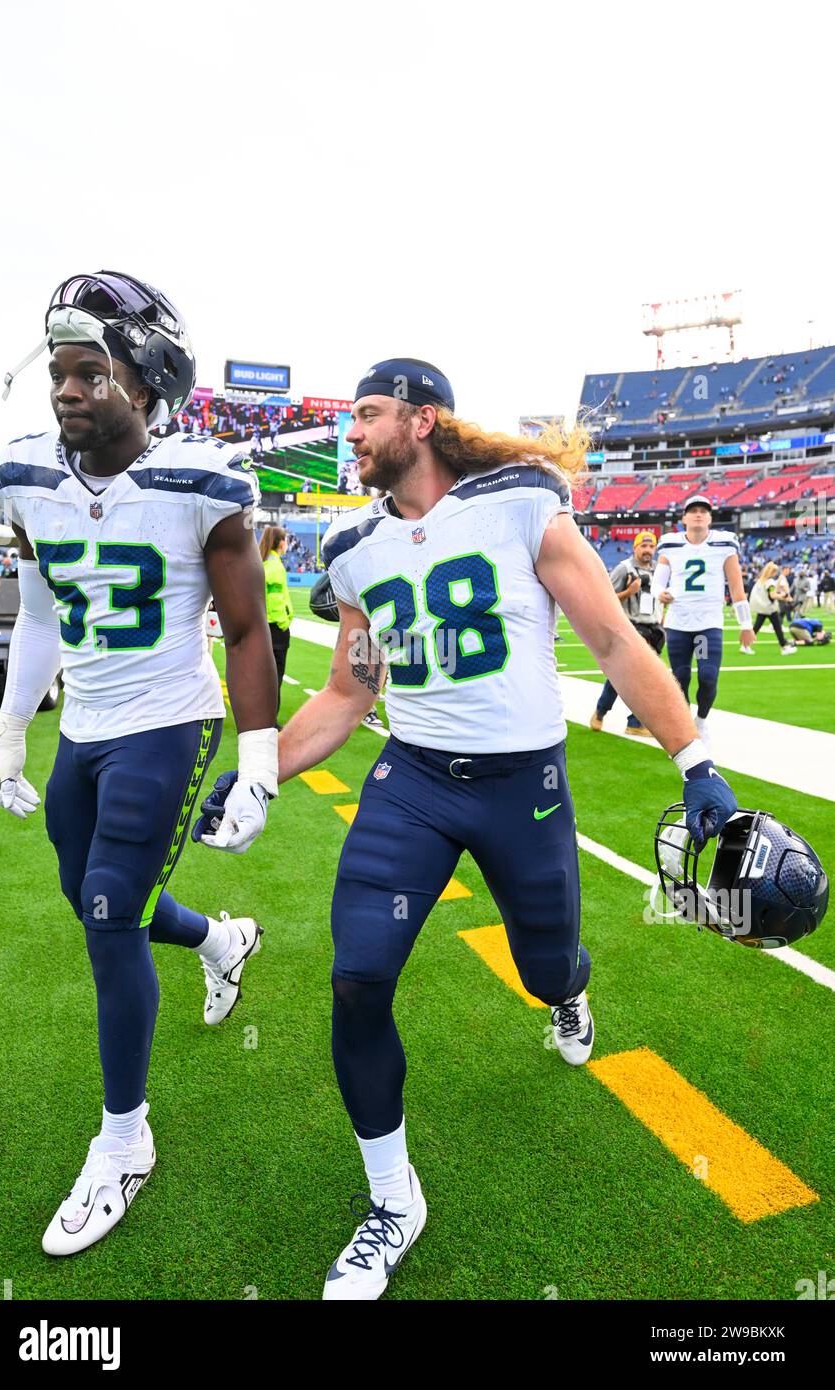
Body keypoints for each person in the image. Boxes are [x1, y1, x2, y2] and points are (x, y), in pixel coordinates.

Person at [271, 356, 739, 1301]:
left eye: (366, 415)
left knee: (545, 968)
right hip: (410, 783)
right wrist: (256, 773)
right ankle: (392, 1201)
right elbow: (346, 694)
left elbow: (612, 639)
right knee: (357, 977)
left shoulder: (522, 503)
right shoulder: (355, 549)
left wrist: (694, 760)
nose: (350, 435)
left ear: (423, 419)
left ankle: (569, 993)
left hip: (523, 782)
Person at [0, 270, 279, 1257]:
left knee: (110, 910)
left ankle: (123, 1142)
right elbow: (38, 613)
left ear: (146, 387)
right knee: (100, 901)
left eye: (90, 373)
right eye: (59, 373)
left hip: (168, 720)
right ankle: (219, 941)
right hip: (85, 727)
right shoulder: (26, 476)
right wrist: (10, 726)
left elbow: (245, 630)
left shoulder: (201, 483)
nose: (66, 390)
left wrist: (259, 760)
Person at [655, 495, 755, 748]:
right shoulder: (670, 544)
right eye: (693, 510)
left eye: (703, 511)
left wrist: (746, 625)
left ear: (710, 518)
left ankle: (700, 721)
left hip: (707, 624)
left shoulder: (724, 544)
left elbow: (737, 587)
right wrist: (659, 594)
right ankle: (685, 729)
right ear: (684, 518)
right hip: (679, 623)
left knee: (708, 677)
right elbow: (658, 582)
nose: (698, 514)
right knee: (681, 678)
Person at [589, 530, 664, 737]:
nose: (648, 550)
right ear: (635, 548)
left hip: (653, 628)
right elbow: (604, 598)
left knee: (640, 677)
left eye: (651, 546)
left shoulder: (660, 569)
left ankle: (618, 717)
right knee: (625, 677)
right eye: (644, 546)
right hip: (630, 627)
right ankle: (626, 719)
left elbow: (659, 599)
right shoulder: (624, 569)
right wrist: (628, 593)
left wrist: (662, 619)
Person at [259, 524, 294, 722]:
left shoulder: (265, 562)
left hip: (266, 628)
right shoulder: (274, 566)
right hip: (275, 629)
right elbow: (273, 600)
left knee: (265, 677)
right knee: (274, 678)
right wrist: (283, 621)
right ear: (281, 543)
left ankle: (264, 718)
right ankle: (269, 720)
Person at [749, 562, 795, 653]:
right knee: (777, 628)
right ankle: (784, 647)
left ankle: (745, 645)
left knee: (756, 627)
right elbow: (773, 595)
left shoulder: (761, 580)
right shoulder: (770, 582)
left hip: (763, 607)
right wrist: (784, 596)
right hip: (769, 608)